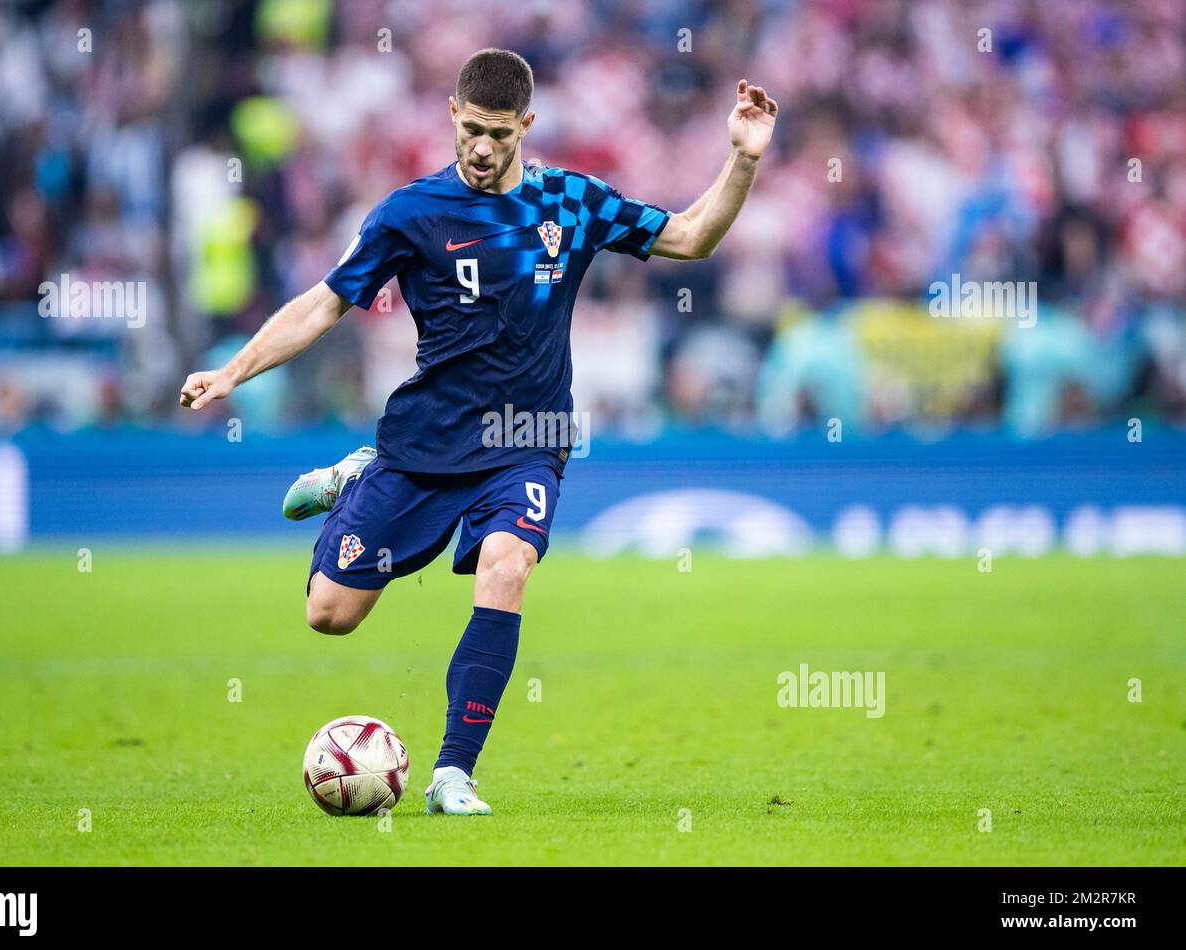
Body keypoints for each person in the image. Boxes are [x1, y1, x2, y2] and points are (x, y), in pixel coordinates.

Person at [179, 48, 777, 815]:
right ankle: (359, 476)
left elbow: (692, 237)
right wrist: (234, 370)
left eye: (499, 132)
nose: (483, 148)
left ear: (526, 124)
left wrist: (742, 159)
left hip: (528, 435)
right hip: (425, 442)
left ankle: (452, 774)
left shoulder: (572, 202)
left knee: (506, 567)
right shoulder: (410, 213)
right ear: (451, 117)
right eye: (471, 130)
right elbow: (326, 303)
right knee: (329, 614)